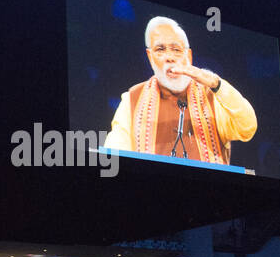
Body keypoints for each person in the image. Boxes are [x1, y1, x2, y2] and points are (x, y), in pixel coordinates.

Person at [103, 16, 256, 164]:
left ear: (188, 55)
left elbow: (247, 127)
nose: (169, 57)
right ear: (150, 57)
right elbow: (113, 156)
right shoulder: (132, 99)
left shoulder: (213, 95)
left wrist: (217, 84)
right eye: (160, 49)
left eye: (176, 49)